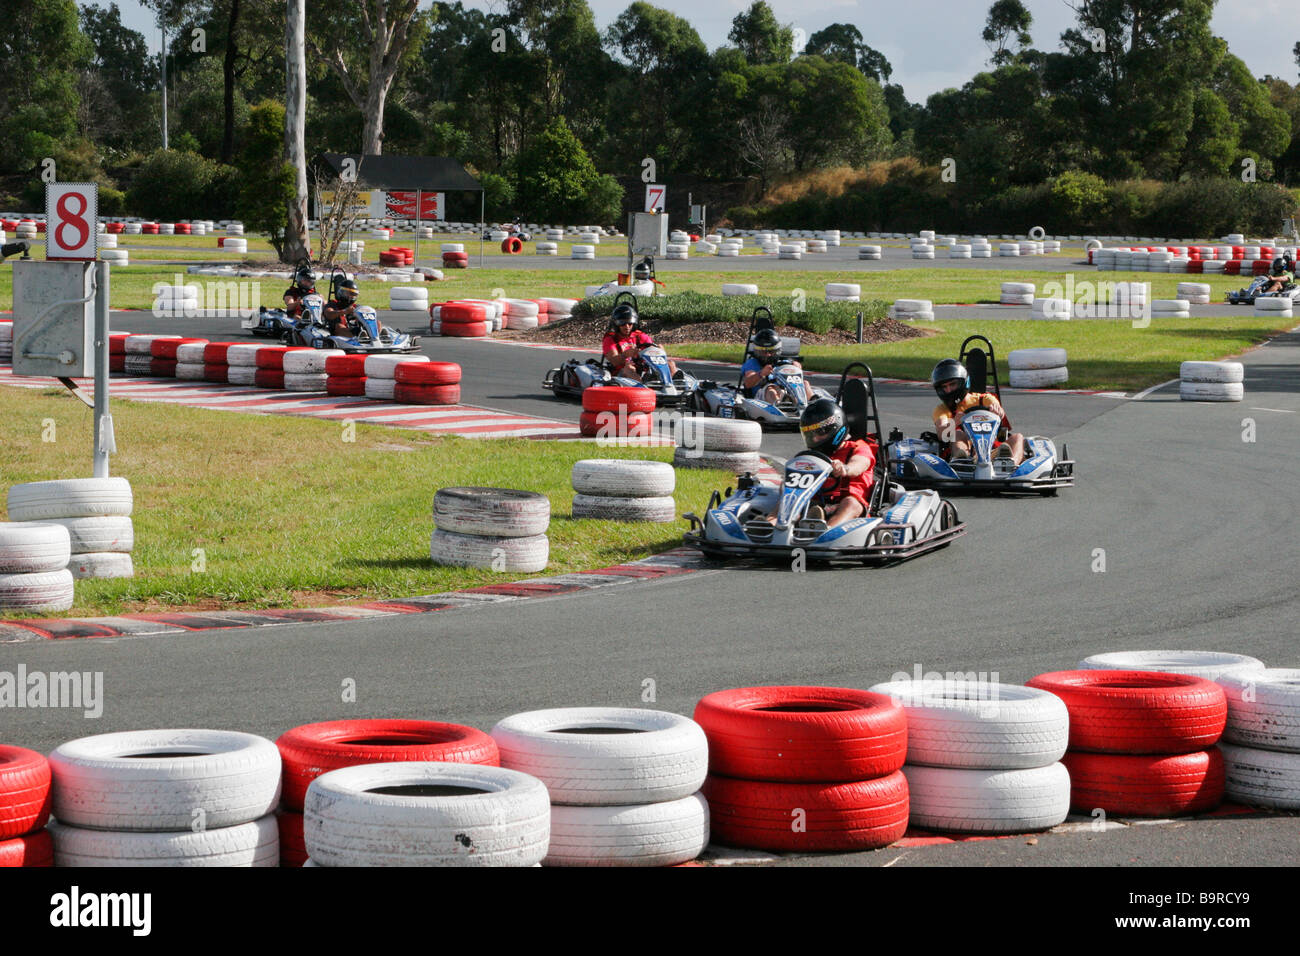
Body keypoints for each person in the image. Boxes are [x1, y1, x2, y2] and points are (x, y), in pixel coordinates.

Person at [798, 398, 877, 527]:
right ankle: (770, 525)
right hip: (818, 503)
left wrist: (845, 468)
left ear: (834, 428)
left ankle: (826, 532)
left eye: (819, 432)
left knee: (850, 503)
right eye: (810, 434)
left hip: (851, 505)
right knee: (791, 496)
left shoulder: (859, 448)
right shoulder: (813, 456)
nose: (814, 438)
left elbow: (860, 464)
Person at [930, 359, 1026, 464]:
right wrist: (955, 421)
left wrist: (997, 411)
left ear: (963, 382)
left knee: (1018, 437)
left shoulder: (984, 399)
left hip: (991, 448)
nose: (948, 390)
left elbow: (997, 409)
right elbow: (941, 432)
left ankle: (1011, 464)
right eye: (944, 387)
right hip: (965, 450)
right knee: (957, 434)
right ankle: (962, 461)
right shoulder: (942, 409)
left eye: (952, 384)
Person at [601, 302, 677, 378]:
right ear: (617, 324)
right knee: (630, 368)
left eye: (629, 323)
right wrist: (625, 355)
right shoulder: (610, 340)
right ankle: (644, 386)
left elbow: (652, 350)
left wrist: (659, 350)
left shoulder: (640, 336)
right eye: (623, 323)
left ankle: (675, 384)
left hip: (644, 369)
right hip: (622, 372)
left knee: (670, 363)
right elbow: (614, 361)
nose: (627, 326)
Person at [741, 328, 812, 403]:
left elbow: (796, 368)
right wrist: (761, 374)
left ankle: (813, 403)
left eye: (771, 351)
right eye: (763, 351)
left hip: (785, 391)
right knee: (771, 389)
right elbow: (748, 383)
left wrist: (796, 367)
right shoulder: (752, 363)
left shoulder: (783, 362)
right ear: (757, 351)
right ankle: (780, 405)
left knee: (805, 383)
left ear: (777, 350)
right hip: (761, 396)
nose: (767, 354)